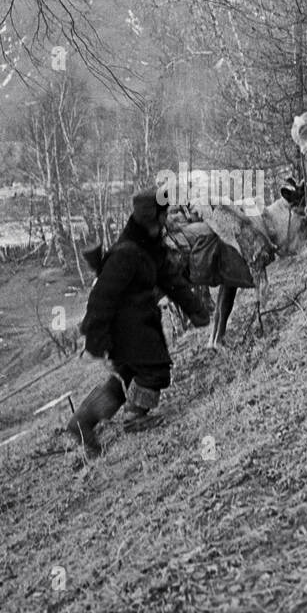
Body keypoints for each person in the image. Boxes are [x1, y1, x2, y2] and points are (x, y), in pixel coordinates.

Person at [65, 188, 210, 457]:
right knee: (154, 371)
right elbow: (101, 297)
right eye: (163, 214)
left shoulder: (149, 247)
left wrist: (195, 309)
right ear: (150, 217)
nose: (167, 219)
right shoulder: (127, 253)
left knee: (126, 376)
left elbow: (170, 279)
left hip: (138, 325)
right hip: (128, 329)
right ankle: (134, 416)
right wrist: (95, 341)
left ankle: (83, 421)